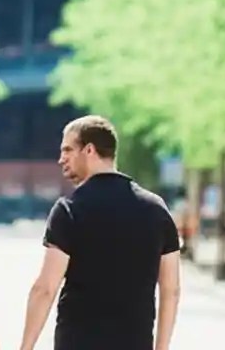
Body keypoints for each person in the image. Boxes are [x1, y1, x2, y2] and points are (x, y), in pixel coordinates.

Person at [18, 116, 182, 350]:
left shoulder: (69, 209)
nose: (60, 159)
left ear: (89, 150)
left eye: (67, 150)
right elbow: (171, 289)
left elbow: (45, 289)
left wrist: (25, 347)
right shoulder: (156, 209)